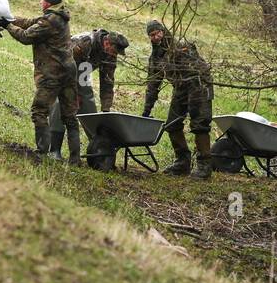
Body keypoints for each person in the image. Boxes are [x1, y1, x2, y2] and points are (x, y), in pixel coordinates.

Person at [6, 0, 80, 163]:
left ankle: (41, 152)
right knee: (70, 116)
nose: (40, 2)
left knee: (39, 111)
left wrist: (7, 26)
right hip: (68, 72)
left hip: (52, 74)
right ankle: (75, 158)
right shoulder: (58, 16)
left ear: (48, 2)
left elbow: (25, 36)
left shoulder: (50, 21)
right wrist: (9, 18)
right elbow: (30, 21)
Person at [143, 19, 215, 179]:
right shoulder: (155, 58)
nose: (156, 37)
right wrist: (146, 111)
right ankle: (182, 162)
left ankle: (204, 165)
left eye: (158, 32)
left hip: (198, 83)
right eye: (152, 35)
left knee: (200, 124)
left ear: (163, 31)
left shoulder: (181, 46)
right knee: (172, 124)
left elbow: (196, 69)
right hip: (181, 87)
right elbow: (152, 85)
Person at [47, 29, 129, 159]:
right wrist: (73, 93)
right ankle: (54, 150)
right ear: (107, 43)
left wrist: (106, 110)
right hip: (61, 72)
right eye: (114, 51)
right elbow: (65, 65)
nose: (115, 55)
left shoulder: (110, 55)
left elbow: (107, 84)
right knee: (60, 105)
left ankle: (99, 150)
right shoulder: (82, 44)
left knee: (89, 109)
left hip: (82, 75)